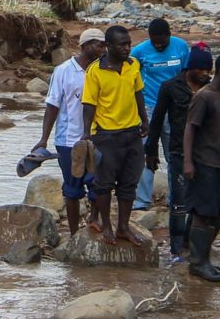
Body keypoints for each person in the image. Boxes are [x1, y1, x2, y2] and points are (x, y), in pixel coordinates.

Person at [81, 25, 151, 246]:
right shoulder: (95, 71)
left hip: (132, 133)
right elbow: (89, 104)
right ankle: (107, 227)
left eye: (129, 44)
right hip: (106, 135)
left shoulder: (133, 65)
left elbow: (138, 93)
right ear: (108, 46)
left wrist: (145, 120)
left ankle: (123, 226)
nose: (127, 48)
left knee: (129, 183)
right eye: (122, 45)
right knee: (104, 184)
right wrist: (86, 133)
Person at [33, 28, 106, 236]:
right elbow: (52, 106)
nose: (104, 49)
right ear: (86, 46)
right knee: (72, 189)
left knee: (98, 184)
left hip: (98, 137)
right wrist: (44, 139)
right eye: (99, 45)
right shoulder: (63, 71)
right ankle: (74, 233)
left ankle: (94, 219)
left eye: (105, 45)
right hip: (68, 139)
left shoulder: (103, 69)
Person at [146, 43, 213, 262]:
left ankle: (189, 242)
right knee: (179, 200)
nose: (205, 73)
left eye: (208, 69)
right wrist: (151, 150)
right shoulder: (170, 87)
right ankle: (176, 250)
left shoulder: (210, 89)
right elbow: (157, 119)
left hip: (204, 153)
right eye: (201, 69)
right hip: (178, 151)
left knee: (201, 200)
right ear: (190, 67)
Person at [184, 51, 220, 282]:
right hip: (204, 163)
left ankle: (203, 257)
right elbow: (190, 128)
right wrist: (188, 162)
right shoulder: (204, 96)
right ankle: (198, 263)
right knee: (203, 213)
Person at [130, 19, 190, 211]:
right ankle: (142, 200)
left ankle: (176, 197)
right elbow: (131, 78)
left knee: (174, 153)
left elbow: (187, 75)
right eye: (154, 41)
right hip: (148, 108)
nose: (158, 45)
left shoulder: (181, 47)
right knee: (145, 152)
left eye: (161, 41)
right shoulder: (139, 52)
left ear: (169, 35)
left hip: (175, 108)